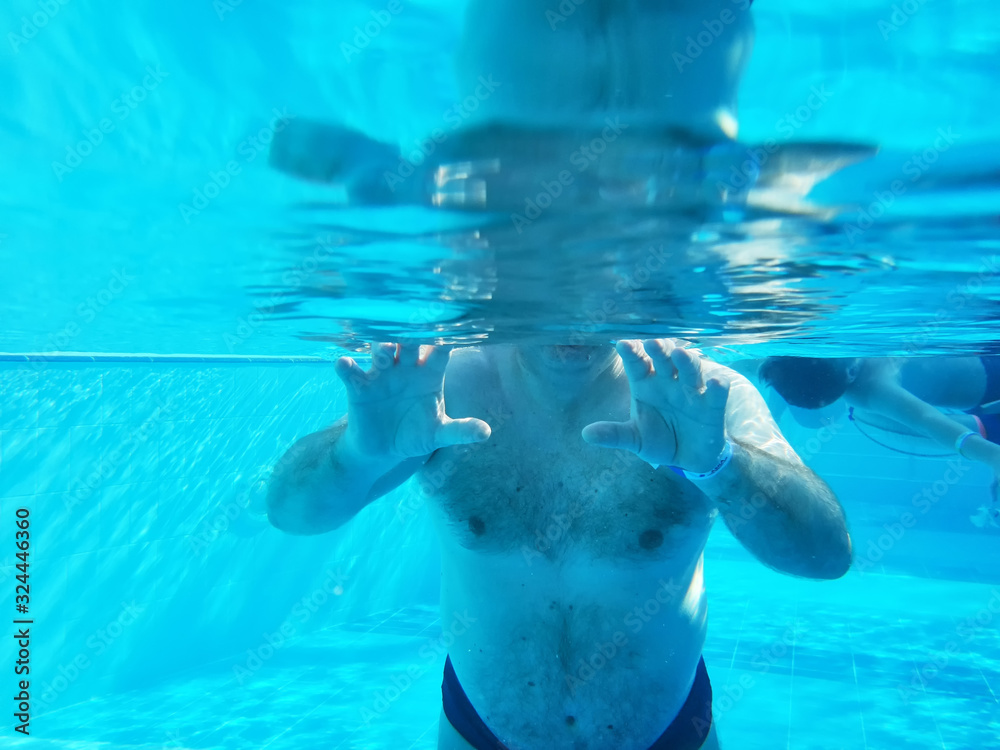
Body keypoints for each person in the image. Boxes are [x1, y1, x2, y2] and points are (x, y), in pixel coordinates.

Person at [267, 340, 852, 749]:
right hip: (479, 725)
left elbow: (826, 556)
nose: (576, 304)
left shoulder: (701, 396)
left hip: (669, 729)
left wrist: (720, 466)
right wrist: (357, 455)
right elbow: (291, 513)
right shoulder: (445, 390)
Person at [758, 356, 1000, 526]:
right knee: (867, 418)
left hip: (982, 361)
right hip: (991, 379)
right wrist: (992, 456)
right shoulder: (871, 391)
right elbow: (929, 421)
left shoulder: (824, 365)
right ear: (851, 373)